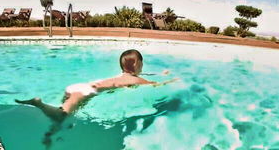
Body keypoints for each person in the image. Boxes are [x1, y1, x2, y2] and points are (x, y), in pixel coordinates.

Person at [15, 49, 177, 123]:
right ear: (138, 64)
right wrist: (172, 81)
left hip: (82, 87)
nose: (142, 67)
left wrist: (160, 74)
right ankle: (39, 103)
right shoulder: (134, 80)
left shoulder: (123, 76)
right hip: (86, 92)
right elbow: (155, 85)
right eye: (142, 63)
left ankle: (42, 104)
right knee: (60, 117)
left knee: (62, 112)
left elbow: (144, 77)